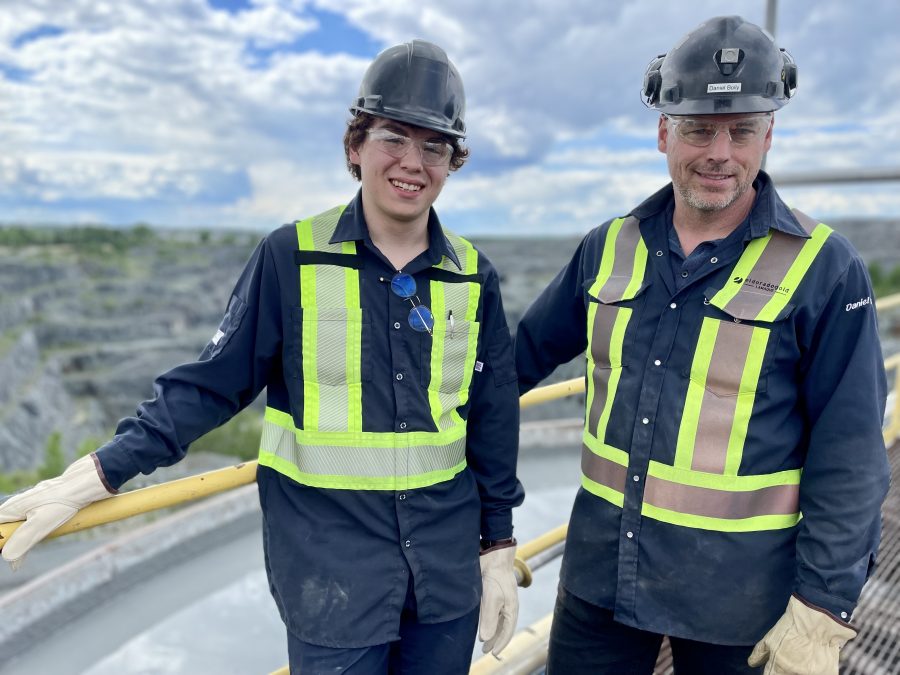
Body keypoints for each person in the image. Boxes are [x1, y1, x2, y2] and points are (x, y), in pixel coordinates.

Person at [0, 39, 524, 674]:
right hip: (333, 585)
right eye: (393, 137)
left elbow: (492, 419)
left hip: (444, 582)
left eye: (434, 145)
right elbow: (211, 387)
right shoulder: (290, 258)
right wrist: (95, 476)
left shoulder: (472, 276)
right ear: (356, 146)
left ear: (451, 162)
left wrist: (497, 545)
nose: (413, 162)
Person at [514, 15, 889, 675]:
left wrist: (822, 608)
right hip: (603, 581)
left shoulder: (824, 270)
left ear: (767, 134)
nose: (720, 152)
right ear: (664, 131)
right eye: (698, 129)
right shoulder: (609, 248)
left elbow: (851, 453)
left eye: (742, 130)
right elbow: (513, 361)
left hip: (739, 603)